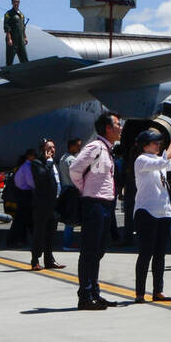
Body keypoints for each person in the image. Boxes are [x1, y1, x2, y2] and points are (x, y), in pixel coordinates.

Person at [69, 113, 121, 310]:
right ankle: (85, 295)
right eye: (117, 124)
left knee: (99, 250)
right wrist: (85, 190)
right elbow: (74, 169)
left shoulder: (107, 150)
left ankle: (94, 293)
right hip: (94, 203)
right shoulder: (96, 147)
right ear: (107, 128)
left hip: (105, 204)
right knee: (89, 250)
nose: (120, 127)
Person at [133, 128, 171, 302]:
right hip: (146, 211)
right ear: (145, 145)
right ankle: (140, 292)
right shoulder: (142, 160)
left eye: (159, 143)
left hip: (163, 210)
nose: (158, 145)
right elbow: (164, 162)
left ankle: (158, 290)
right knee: (145, 253)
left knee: (160, 254)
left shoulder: (158, 159)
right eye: (155, 142)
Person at [30, 139, 64, 271]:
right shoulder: (37, 163)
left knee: (51, 233)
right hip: (42, 205)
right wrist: (49, 162)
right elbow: (42, 176)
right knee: (39, 233)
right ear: (42, 149)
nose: (52, 150)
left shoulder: (54, 163)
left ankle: (49, 259)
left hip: (54, 203)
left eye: (53, 147)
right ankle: (35, 260)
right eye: (49, 148)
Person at [58, 137, 82, 250]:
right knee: (72, 218)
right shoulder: (72, 160)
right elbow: (77, 177)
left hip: (66, 189)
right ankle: (67, 243)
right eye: (77, 145)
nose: (79, 147)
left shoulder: (63, 158)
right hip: (73, 190)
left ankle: (68, 242)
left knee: (69, 217)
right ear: (71, 146)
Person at [9, 148, 37, 246]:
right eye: (33, 155)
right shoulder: (27, 167)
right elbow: (31, 182)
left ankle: (20, 239)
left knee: (22, 219)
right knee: (25, 218)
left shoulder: (24, 166)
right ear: (29, 156)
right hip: (25, 194)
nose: (35, 157)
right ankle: (18, 239)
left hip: (22, 194)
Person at [3, 0, 28, 65]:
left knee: (24, 58)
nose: (16, 3)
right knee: (9, 59)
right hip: (12, 39)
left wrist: (25, 37)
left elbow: (23, 28)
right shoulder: (8, 14)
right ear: (12, 3)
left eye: (18, 2)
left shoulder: (21, 15)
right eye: (15, 2)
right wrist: (9, 39)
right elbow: (6, 27)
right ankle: (7, 73)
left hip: (21, 39)